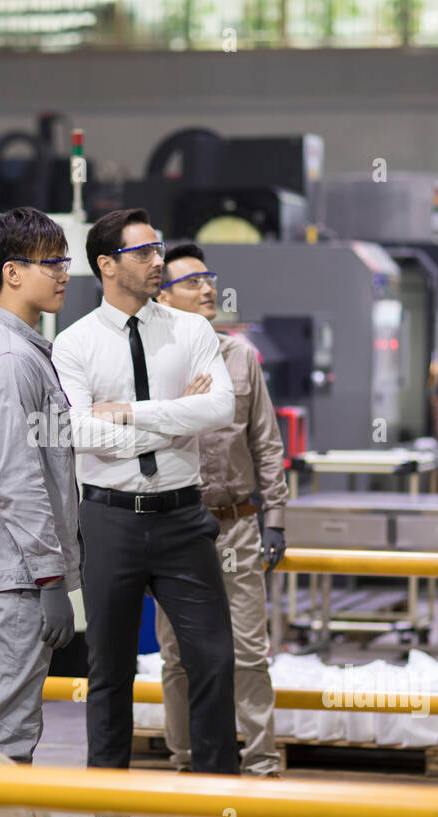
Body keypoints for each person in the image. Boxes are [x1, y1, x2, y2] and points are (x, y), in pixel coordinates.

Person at [52, 208, 272, 817]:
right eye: (142, 251)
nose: (157, 261)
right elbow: (81, 432)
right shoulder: (76, 343)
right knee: (109, 670)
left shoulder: (190, 330)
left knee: (213, 661)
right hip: (110, 518)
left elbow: (219, 409)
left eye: (156, 249)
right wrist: (170, 421)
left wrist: (133, 413)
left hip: (182, 518)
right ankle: (109, 815)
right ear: (107, 266)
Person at [153, 242, 287, 778]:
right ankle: (187, 762)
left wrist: (273, 519)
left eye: (210, 278)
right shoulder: (152, 360)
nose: (208, 288)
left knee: (250, 653)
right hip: (173, 527)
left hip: (235, 526)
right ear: (161, 296)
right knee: (177, 657)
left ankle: (260, 765)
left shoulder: (240, 358)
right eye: (192, 282)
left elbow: (267, 444)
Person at [0, 207, 81, 764]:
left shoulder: (22, 349)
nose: (63, 274)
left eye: (64, 261)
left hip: (17, 574)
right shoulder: (8, 358)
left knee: (9, 728)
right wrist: (51, 576)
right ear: (12, 272)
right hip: (16, 579)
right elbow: (17, 477)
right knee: (5, 740)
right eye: (51, 262)